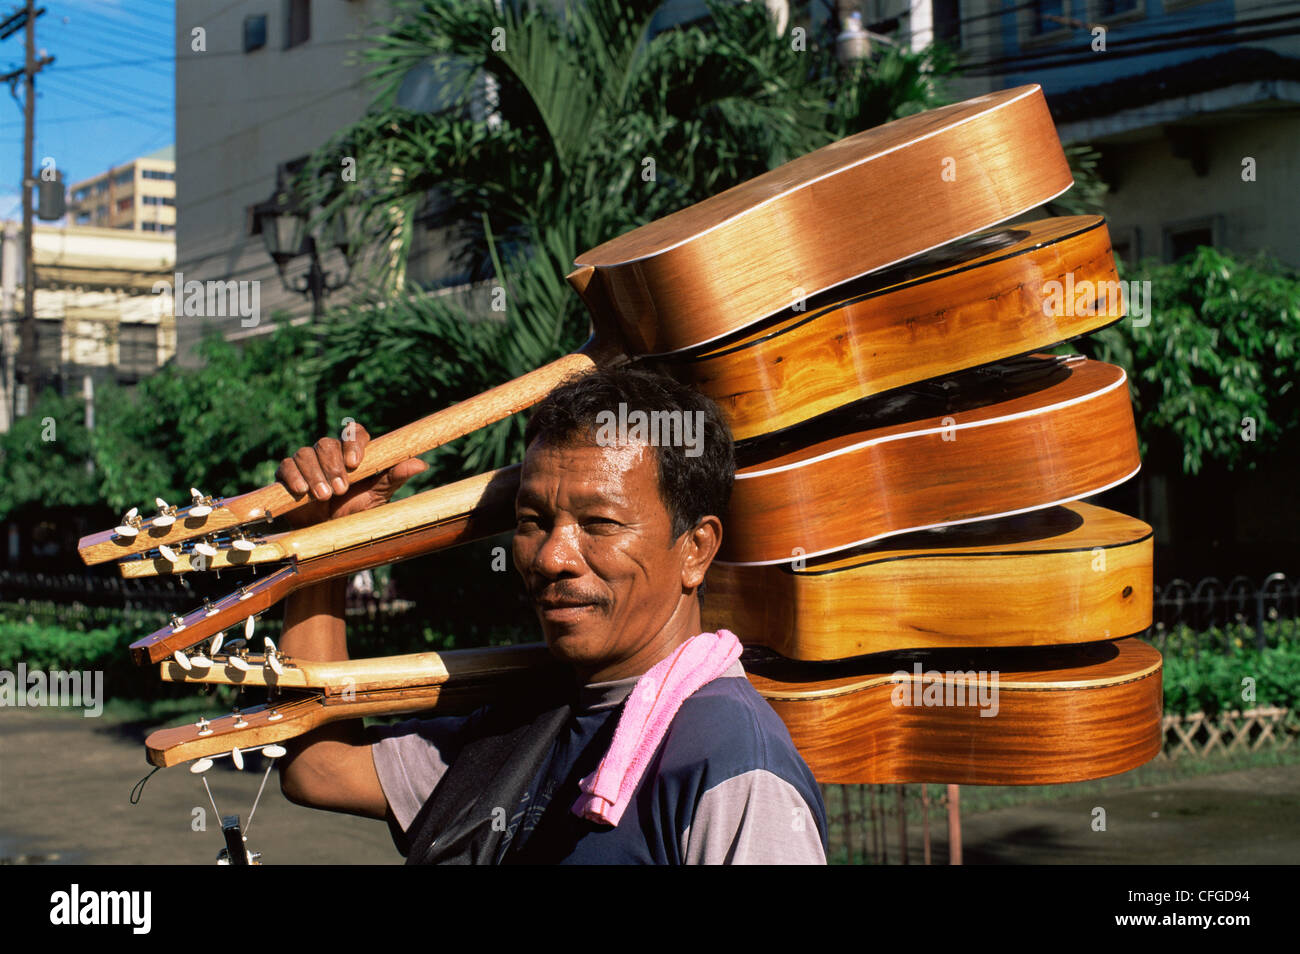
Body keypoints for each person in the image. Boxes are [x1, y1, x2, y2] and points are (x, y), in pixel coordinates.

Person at [274, 366, 828, 864]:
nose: (551, 557)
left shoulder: (731, 767)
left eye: (600, 524)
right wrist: (328, 538)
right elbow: (319, 768)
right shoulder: (525, 724)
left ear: (696, 550)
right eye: (534, 520)